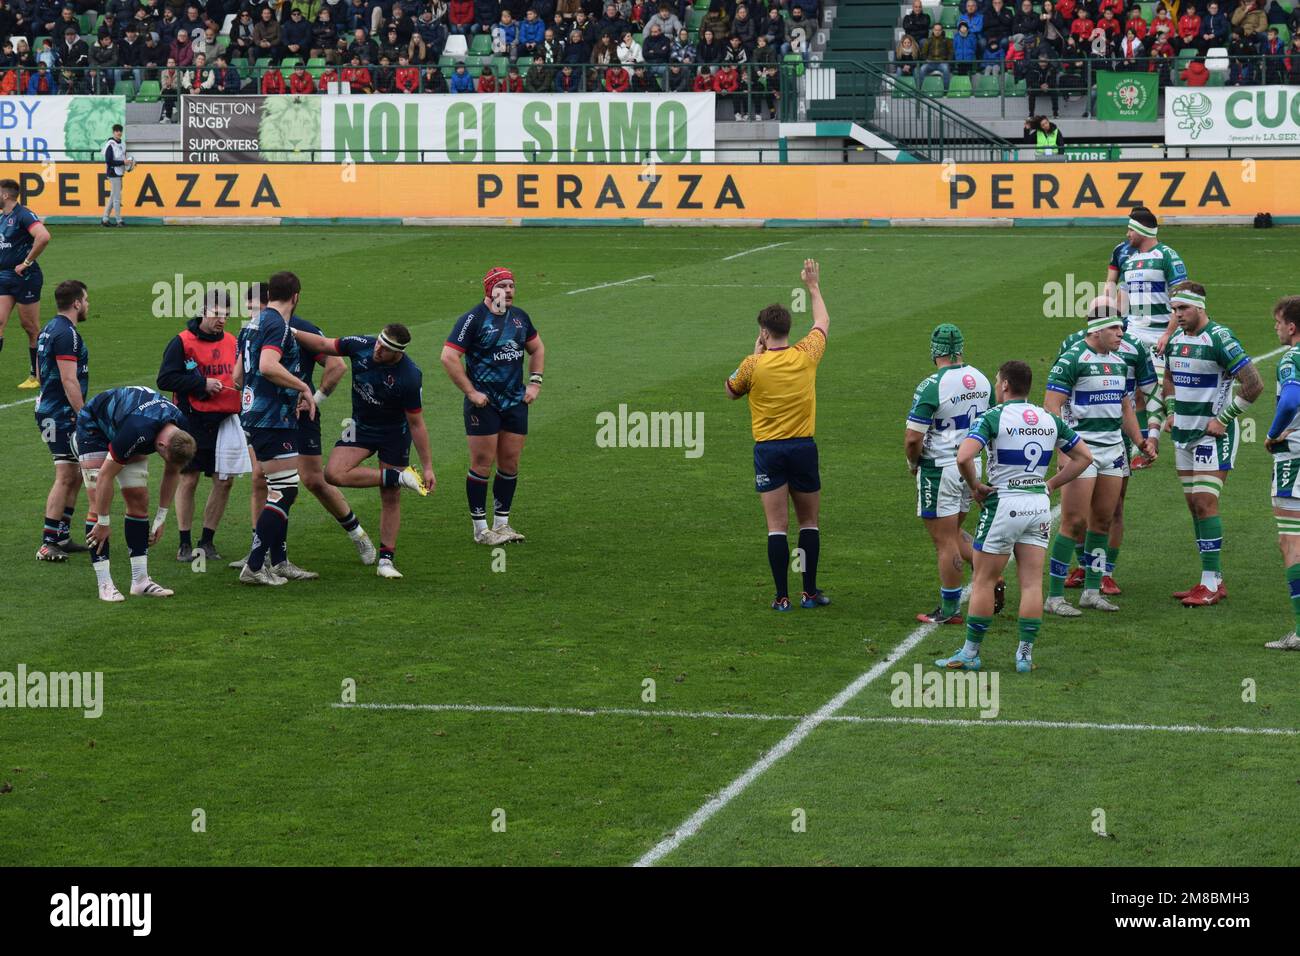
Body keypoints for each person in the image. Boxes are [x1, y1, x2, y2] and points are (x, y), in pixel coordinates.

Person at [937, 361, 1092, 674]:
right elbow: (1085, 458)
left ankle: (970, 653)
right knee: (1033, 583)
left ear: (1005, 385)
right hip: (1038, 505)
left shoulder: (993, 417)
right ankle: (1024, 656)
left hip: (1004, 503)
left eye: (997, 381)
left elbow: (964, 456)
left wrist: (975, 486)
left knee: (983, 580)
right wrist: (1050, 484)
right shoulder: (1049, 419)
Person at [232, 284, 377, 571]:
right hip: (267, 418)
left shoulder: (300, 329)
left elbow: (336, 366)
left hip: (298, 415)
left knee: (312, 480)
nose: (251, 314)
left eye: (255, 307)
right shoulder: (255, 328)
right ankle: (263, 554)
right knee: (263, 479)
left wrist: (315, 398)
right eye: (248, 308)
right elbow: (240, 376)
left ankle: (357, 533)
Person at [289, 324, 434, 579]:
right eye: (379, 341)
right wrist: (291, 331)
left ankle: (386, 561)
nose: (378, 349)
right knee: (333, 474)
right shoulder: (362, 345)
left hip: (393, 434)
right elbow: (324, 345)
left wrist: (428, 466)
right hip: (360, 428)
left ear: (398, 353)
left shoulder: (409, 376)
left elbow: (416, 423)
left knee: (390, 497)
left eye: (386, 348)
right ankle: (400, 477)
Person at [725, 260, 830, 611]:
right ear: (787, 329)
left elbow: (731, 390)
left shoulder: (753, 365)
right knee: (809, 523)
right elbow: (822, 322)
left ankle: (781, 597)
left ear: (764, 333)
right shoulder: (806, 356)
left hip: (768, 451)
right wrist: (812, 286)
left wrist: (754, 354)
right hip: (803, 447)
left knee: (776, 527)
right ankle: (810, 592)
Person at [1042, 305, 1156, 617]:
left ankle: (1092, 592)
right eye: (1115, 329)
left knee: (1103, 521)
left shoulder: (1119, 362)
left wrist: (1139, 441)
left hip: (1113, 451)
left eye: (1122, 329)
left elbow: (1126, 408)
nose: (1122, 334)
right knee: (1074, 521)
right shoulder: (1072, 359)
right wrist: (1068, 446)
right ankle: (1053, 597)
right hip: (1082, 451)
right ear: (1097, 330)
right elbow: (1051, 407)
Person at [1160, 282, 1262, 606]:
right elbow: (1169, 379)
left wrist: (1224, 418)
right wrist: (1173, 411)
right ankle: (1212, 578)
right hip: (1183, 436)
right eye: (1174, 310)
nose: (1178, 316)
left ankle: (1209, 584)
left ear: (1200, 307)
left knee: (1205, 503)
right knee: (1194, 507)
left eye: (1183, 310)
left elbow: (1254, 384)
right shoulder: (1175, 340)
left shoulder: (1220, 338)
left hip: (1212, 436)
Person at [441, 266, 545, 546]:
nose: (508, 291)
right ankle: (480, 529)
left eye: (512, 285)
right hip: (483, 404)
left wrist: (534, 383)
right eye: (503, 286)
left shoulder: (520, 318)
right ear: (490, 290)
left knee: (510, 463)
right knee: (482, 463)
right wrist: (471, 392)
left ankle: (502, 525)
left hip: (514, 402)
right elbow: (449, 356)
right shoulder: (473, 320)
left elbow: (537, 348)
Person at [232, 271, 319, 586]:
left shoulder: (251, 325)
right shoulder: (277, 326)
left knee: (280, 489)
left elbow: (237, 377)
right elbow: (269, 366)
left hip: (256, 415)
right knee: (285, 491)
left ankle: (279, 562)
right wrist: (303, 388)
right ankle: (255, 566)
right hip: (272, 419)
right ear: (295, 295)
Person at [905, 324, 993, 626]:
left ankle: (951, 609)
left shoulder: (932, 385)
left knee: (944, 542)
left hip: (940, 468)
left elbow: (913, 439)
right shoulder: (982, 379)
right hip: (971, 465)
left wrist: (913, 464)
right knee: (954, 533)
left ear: (934, 350)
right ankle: (990, 578)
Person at [77, 386, 197, 602]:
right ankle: (104, 583)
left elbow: (172, 472)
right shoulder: (139, 431)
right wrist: (104, 522)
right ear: (160, 445)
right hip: (95, 425)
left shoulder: (182, 430)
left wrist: (160, 518)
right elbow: (105, 476)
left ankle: (140, 581)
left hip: (128, 422)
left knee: (139, 498)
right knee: (97, 504)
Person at [156, 290, 242, 563]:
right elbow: (165, 379)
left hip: (226, 420)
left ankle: (207, 541)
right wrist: (200, 384)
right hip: (191, 421)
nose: (222, 320)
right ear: (203, 311)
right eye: (217, 314)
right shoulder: (182, 342)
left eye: (226, 315)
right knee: (189, 478)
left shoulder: (233, 341)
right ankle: (184, 543)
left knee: (225, 481)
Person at [1106, 206, 1188, 459]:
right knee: (1134, 393)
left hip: (1159, 336)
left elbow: (1182, 298)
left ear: (1142, 230)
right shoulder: (1129, 261)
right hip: (1134, 335)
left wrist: (1168, 334)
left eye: (1131, 228)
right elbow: (1123, 300)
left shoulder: (1167, 256)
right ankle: (1143, 445)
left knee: (1157, 391)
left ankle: (1152, 442)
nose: (1128, 233)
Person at [34, 279, 91, 563]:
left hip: (52, 410)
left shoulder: (48, 329)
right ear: (77, 302)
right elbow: (69, 380)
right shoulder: (68, 334)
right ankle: (47, 543)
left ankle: (61, 536)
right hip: (60, 414)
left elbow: (39, 371)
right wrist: (84, 415)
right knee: (66, 474)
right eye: (86, 300)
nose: (88, 305)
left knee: (76, 473)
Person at [1265, 295, 1300, 650]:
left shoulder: (1293, 357)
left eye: (1277, 322)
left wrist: (1274, 432)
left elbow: (1290, 400)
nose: (1275, 328)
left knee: (1292, 543)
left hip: (1294, 461)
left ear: (1291, 327)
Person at [0, 178, 50, 389]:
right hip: (3, 277)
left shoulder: (23, 215)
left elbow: (44, 236)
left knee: (30, 327)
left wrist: (26, 262)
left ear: (5, 195)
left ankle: (36, 375)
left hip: (25, 278)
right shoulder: (3, 217)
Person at [102, 124, 127, 228]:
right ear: (113, 132)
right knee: (117, 198)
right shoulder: (110, 144)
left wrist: (128, 164)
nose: (119, 132)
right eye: (117, 131)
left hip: (119, 172)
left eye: (120, 131)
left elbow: (122, 158)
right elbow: (109, 161)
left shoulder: (122, 143)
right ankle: (118, 220)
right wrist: (123, 162)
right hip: (113, 173)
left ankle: (105, 219)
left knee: (113, 196)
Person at [918, 22, 953, 91]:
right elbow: (923, 52)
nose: (937, 31)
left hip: (942, 62)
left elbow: (951, 52)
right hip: (930, 62)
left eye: (939, 30)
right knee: (922, 69)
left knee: (946, 69)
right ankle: (920, 90)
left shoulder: (947, 40)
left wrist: (948, 61)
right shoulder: (928, 40)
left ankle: (946, 90)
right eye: (936, 30)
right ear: (933, 30)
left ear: (941, 31)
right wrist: (926, 60)